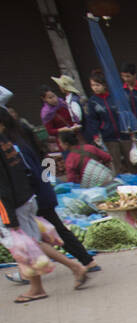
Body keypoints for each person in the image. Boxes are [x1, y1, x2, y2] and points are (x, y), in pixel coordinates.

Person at [1, 120, 91, 303]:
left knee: (25, 246)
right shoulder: (7, 141)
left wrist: (8, 215)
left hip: (15, 203)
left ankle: (38, 288)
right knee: (31, 242)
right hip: (26, 198)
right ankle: (76, 267)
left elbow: (3, 185)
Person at [81, 70, 133, 173]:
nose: (95, 87)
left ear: (104, 85)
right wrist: (95, 135)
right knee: (116, 163)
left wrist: (130, 128)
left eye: (97, 85)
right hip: (108, 137)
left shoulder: (115, 97)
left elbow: (126, 113)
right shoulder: (93, 102)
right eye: (93, 85)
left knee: (131, 161)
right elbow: (92, 120)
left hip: (125, 134)